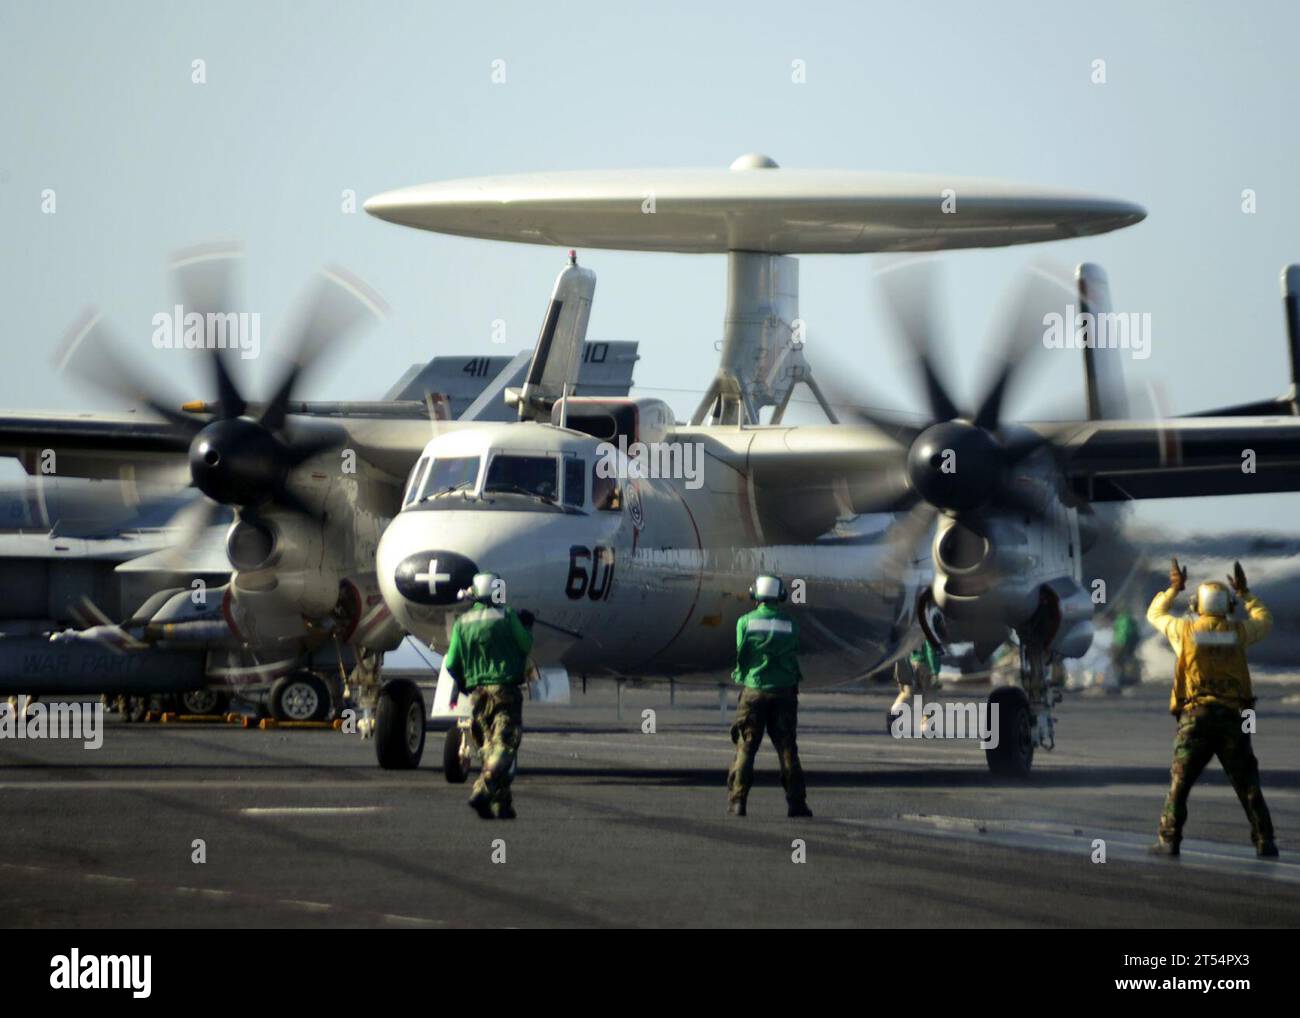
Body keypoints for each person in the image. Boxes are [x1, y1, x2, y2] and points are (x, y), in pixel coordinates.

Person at [1146, 558, 1277, 858]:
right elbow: (1265, 620)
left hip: (1196, 717)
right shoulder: (1240, 633)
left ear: (1197, 604)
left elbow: (1155, 614)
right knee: (1248, 783)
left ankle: (1169, 840)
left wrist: (1173, 589)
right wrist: (1246, 594)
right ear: (1228, 606)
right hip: (1235, 717)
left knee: (1180, 782)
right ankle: (1264, 841)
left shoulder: (1183, 631)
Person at [442, 572, 533, 820]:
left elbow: (451, 663)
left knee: (488, 749)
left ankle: (500, 805)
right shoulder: (508, 616)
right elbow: (525, 645)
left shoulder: (462, 624)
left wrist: (462, 683)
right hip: (505, 693)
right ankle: (482, 789)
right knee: (505, 744)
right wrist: (527, 625)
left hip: (478, 696)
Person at [726, 574, 812, 818]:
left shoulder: (745, 622)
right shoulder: (790, 624)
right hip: (784, 692)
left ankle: (738, 802)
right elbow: (794, 651)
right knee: (787, 749)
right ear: (780, 595)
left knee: (746, 748)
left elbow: (741, 655)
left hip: (754, 691)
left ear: (755, 594)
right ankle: (797, 804)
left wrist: (742, 676)